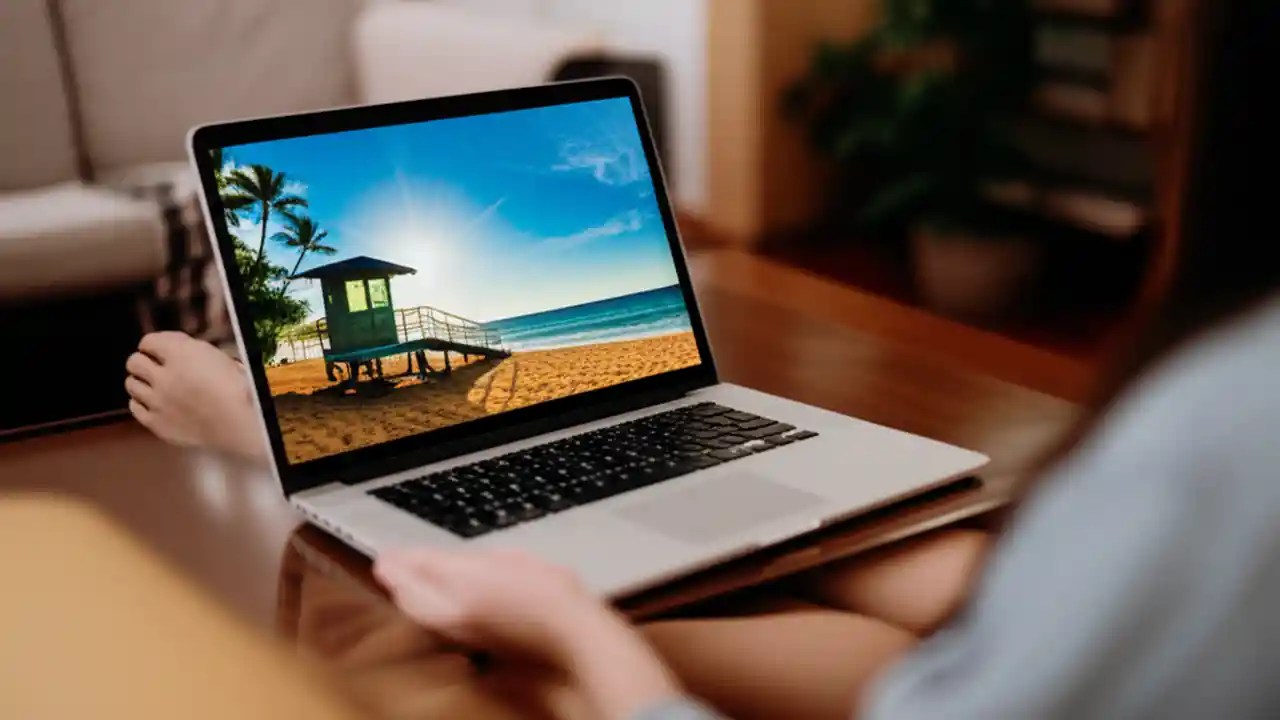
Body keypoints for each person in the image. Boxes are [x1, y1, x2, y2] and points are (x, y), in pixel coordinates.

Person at [125, 1, 1279, 717]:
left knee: (444, 666)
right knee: (925, 572)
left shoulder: (1210, 430)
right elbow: (979, 659)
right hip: (965, 633)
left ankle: (281, 445)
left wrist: (578, 633)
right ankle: (710, 524)